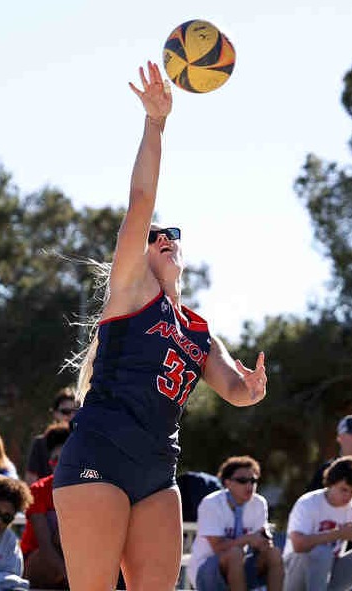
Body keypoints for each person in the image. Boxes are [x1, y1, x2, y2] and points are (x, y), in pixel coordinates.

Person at [52, 61, 269, 591]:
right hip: (99, 455)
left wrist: (252, 388)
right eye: (155, 236)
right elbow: (142, 201)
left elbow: (234, 392)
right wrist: (156, 123)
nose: (164, 237)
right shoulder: (130, 289)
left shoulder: (197, 329)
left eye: (173, 234)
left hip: (157, 470)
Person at [284, 456, 352, 591]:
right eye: (344, 489)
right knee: (323, 552)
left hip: (328, 574)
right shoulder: (309, 503)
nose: (348, 496)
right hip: (293, 576)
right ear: (331, 483)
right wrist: (338, 534)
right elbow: (298, 545)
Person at [188, 456, 283, 591]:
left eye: (253, 480)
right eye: (242, 480)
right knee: (235, 553)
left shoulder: (259, 503)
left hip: (240, 567)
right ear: (227, 482)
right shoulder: (211, 503)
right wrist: (249, 538)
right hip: (206, 572)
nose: (250, 485)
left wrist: (265, 544)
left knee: (274, 554)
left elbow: (261, 543)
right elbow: (218, 547)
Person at [20, 423, 71, 589]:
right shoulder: (38, 490)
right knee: (61, 535)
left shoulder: (85, 490)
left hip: (68, 557)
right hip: (37, 561)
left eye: (65, 459)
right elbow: (45, 545)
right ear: (50, 463)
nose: (60, 465)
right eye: (55, 460)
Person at [24, 388, 78, 484]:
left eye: (76, 411)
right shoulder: (40, 443)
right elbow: (31, 481)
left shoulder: (85, 443)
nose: (71, 416)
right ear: (55, 413)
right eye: (65, 411)